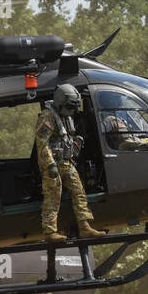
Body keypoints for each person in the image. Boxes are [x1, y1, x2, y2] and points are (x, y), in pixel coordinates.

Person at [35, 83, 105, 241]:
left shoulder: (65, 116)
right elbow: (42, 143)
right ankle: (49, 231)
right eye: (69, 106)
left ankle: (84, 225)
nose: (72, 111)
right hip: (52, 164)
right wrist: (49, 164)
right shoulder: (47, 117)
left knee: (78, 190)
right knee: (53, 195)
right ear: (60, 102)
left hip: (65, 162)